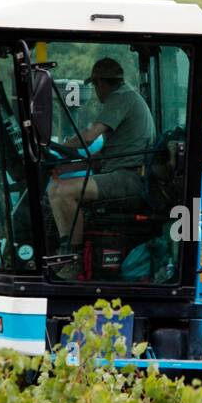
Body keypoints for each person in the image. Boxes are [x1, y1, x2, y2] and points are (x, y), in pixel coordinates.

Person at [48, 57, 153, 270]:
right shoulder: (127, 98)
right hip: (121, 172)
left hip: (128, 178)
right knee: (57, 187)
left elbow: (88, 136)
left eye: (95, 86)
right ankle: (66, 252)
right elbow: (103, 156)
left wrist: (56, 148)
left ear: (101, 83)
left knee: (64, 192)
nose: (96, 92)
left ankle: (71, 261)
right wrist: (64, 168)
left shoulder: (121, 98)